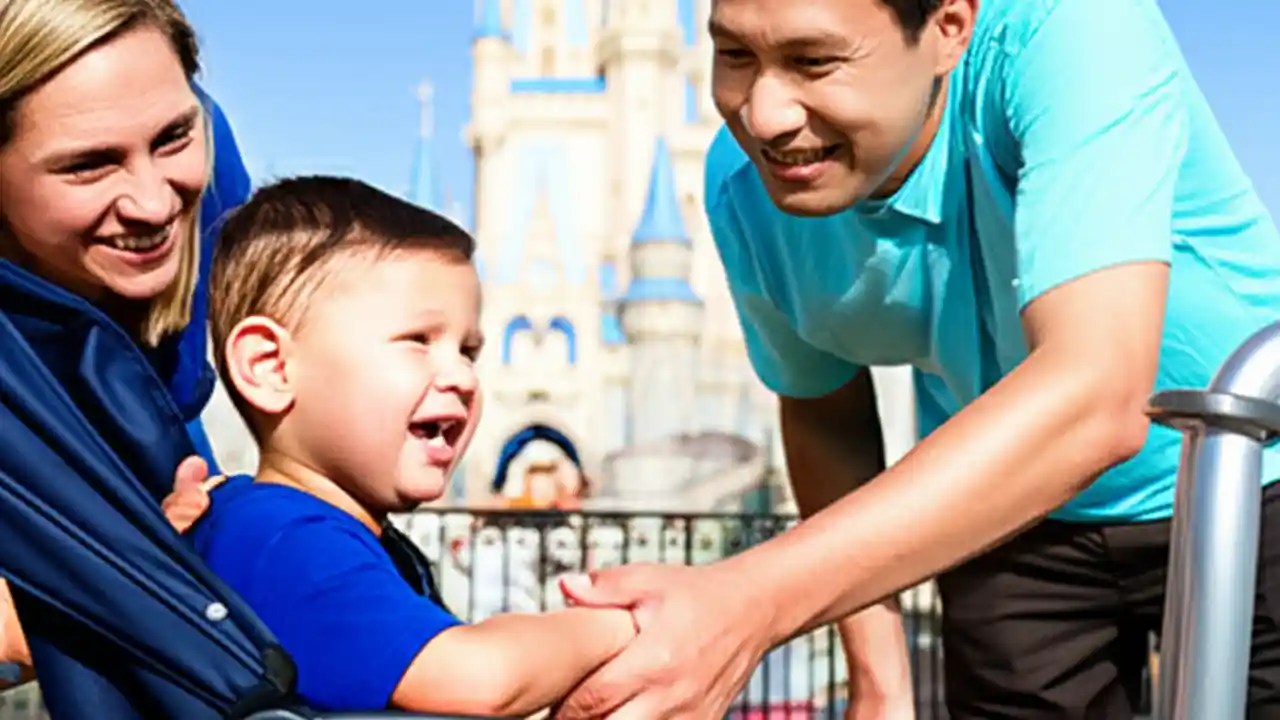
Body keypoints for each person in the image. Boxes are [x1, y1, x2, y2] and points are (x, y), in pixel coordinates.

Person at [552, 0, 1280, 718]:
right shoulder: (745, 185)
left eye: (814, 60)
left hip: (1254, 477)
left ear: (948, 30)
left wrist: (746, 602)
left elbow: (1095, 399)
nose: (764, 115)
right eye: (736, 55)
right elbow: (824, 412)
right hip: (1011, 512)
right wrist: (879, 679)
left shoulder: (1075, 31)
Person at [189, 175, 637, 715]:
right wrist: (624, 623)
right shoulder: (285, 540)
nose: (464, 378)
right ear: (271, 366)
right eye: (419, 341)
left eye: (468, 350)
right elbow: (480, 680)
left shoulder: (328, 533)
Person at [0, 0, 252, 689]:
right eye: (88, 166)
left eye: (172, 137)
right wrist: (92, 598)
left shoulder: (212, 191)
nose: (153, 203)